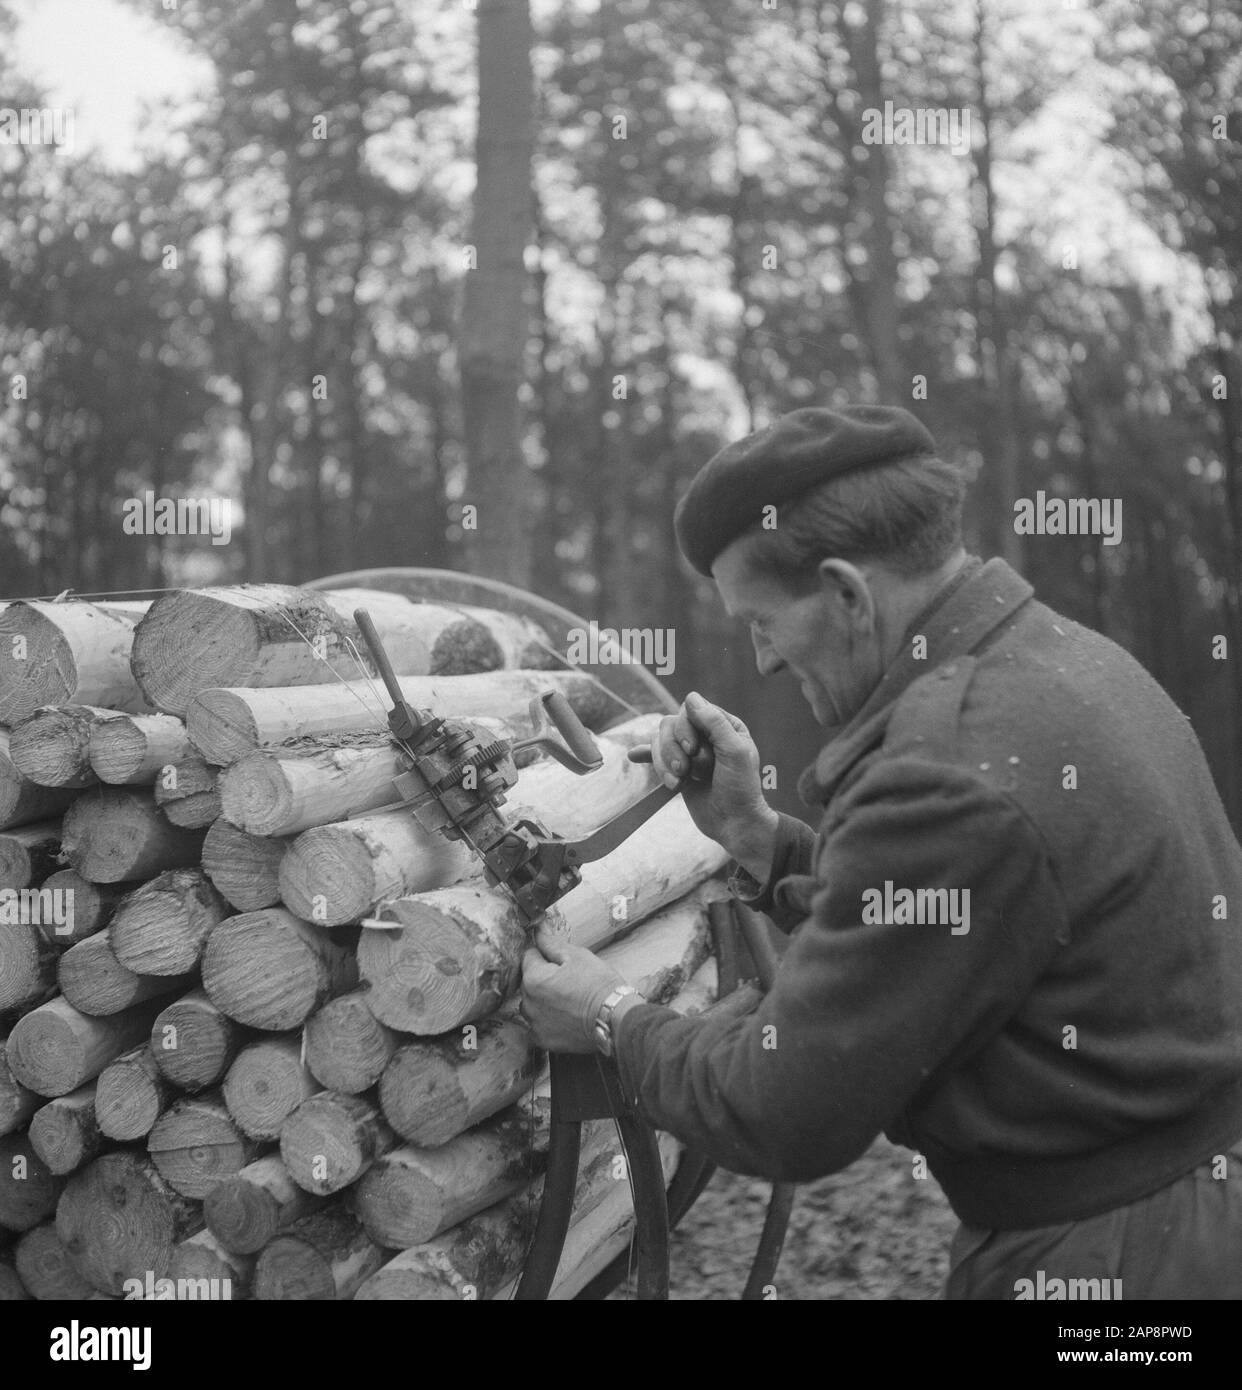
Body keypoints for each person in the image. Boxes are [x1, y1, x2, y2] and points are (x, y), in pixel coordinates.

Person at [520, 404, 1242, 1299]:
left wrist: (609, 1015)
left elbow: (783, 1110)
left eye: (762, 622)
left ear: (848, 593)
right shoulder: (1068, 661)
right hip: (1182, 1216)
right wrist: (756, 835)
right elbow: (952, 919)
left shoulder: (943, 767)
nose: (766, 662)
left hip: (1105, 1261)